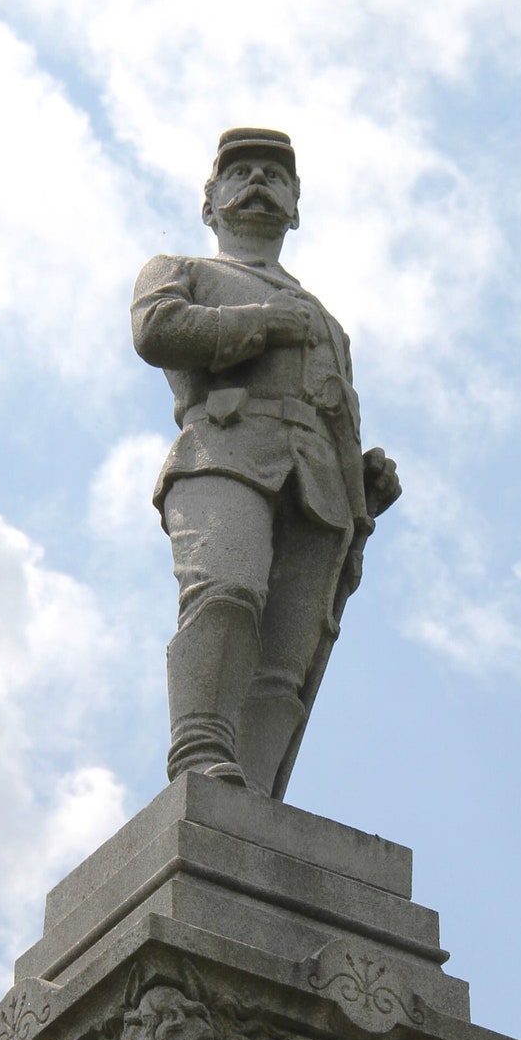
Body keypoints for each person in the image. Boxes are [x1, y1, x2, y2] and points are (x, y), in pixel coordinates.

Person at [132, 127, 400, 798]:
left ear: (296, 207)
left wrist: (363, 483)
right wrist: (264, 322)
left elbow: (333, 413)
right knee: (225, 590)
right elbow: (157, 331)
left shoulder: (329, 325)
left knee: (288, 660)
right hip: (222, 454)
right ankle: (198, 755)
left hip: (319, 491)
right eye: (241, 172)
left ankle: (250, 798)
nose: (258, 182)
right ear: (211, 202)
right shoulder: (181, 270)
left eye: (275, 176)